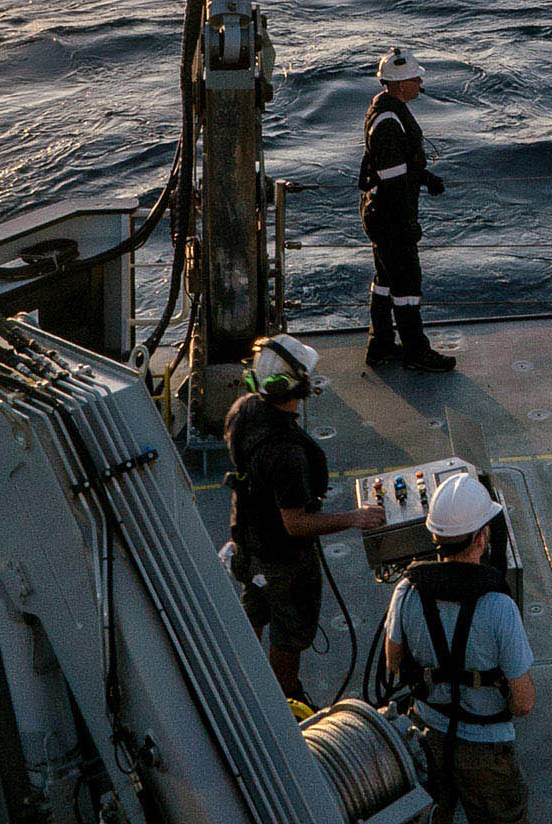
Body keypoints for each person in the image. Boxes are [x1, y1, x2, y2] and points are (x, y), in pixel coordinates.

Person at [222, 335, 383, 704]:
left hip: (249, 544)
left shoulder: (243, 411)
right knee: (288, 636)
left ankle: (236, 690)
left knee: (254, 606)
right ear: (297, 386)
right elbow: (295, 524)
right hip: (282, 561)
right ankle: (286, 700)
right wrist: (355, 518)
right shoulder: (287, 456)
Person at [383, 472, 536, 824]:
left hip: (426, 738)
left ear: (435, 536)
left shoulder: (406, 591)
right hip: (486, 750)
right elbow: (524, 702)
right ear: (482, 538)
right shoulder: (499, 607)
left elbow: (394, 661)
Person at [360, 47, 455, 372]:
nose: (420, 81)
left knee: (385, 280)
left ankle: (381, 345)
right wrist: (406, 225)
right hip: (390, 215)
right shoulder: (388, 121)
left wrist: (425, 178)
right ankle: (416, 353)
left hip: (381, 211)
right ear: (400, 85)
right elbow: (393, 181)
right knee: (407, 286)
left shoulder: (388, 108)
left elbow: (398, 169)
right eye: (415, 78)